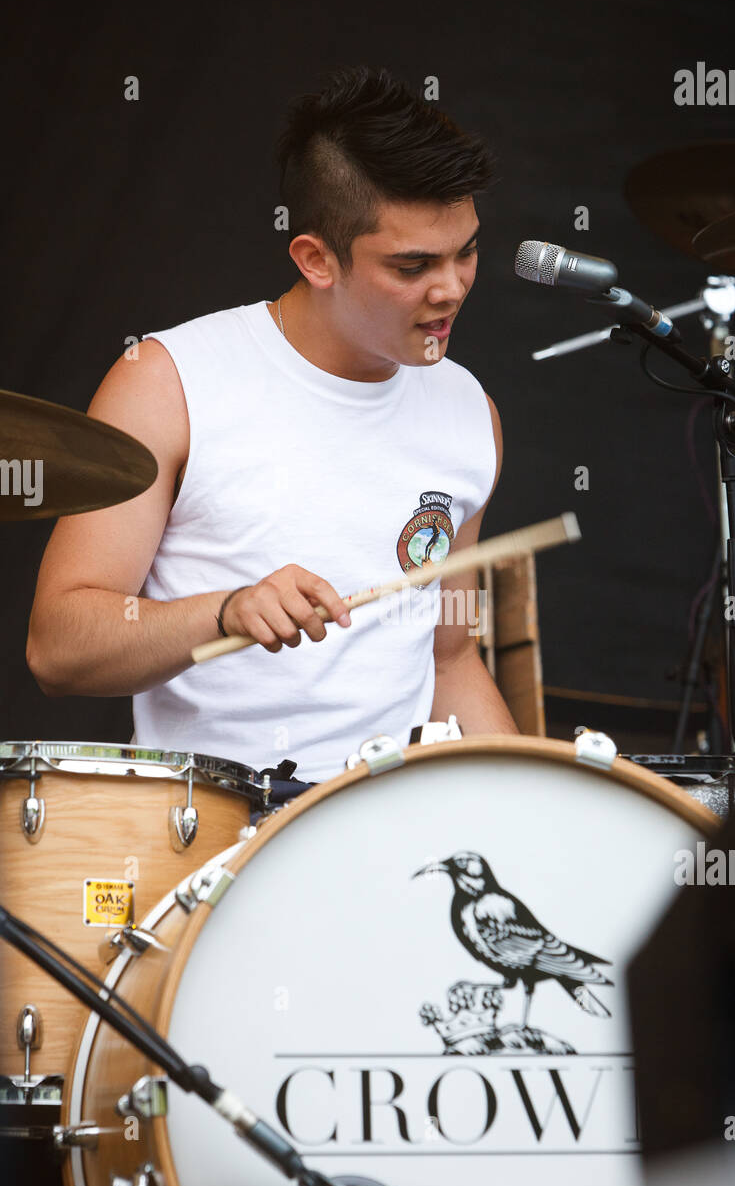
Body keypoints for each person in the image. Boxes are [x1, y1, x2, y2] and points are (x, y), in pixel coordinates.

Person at [26, 65, 518, 796]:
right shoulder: (168, 383)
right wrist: (226, 612)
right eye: (413, 265)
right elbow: (59, 648)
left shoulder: (468, 413)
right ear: (316, 258)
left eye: (466, 251)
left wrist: (542, 811)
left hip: (394, 827)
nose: (450, 288)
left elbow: (449, 658)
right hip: (215, 835)